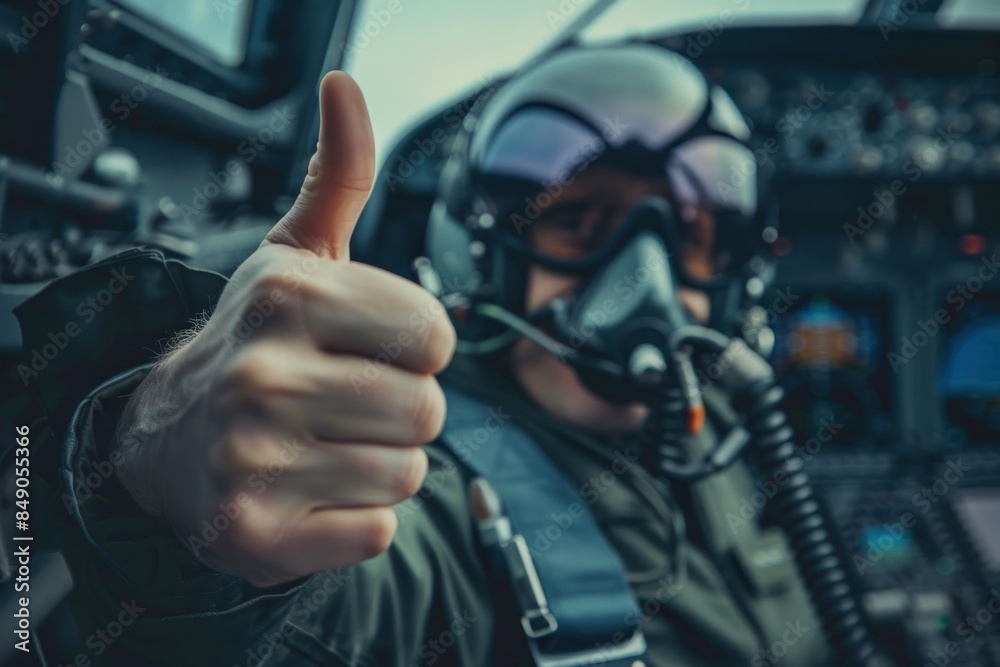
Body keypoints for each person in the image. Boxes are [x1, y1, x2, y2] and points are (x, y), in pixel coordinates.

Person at [13, 45, 834, 665]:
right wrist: (165, 486)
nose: (646, 283)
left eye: (688, 237)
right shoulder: (419, 467)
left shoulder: (729, 425)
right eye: (580, 224)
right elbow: (347, 599)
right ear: (482, 255)